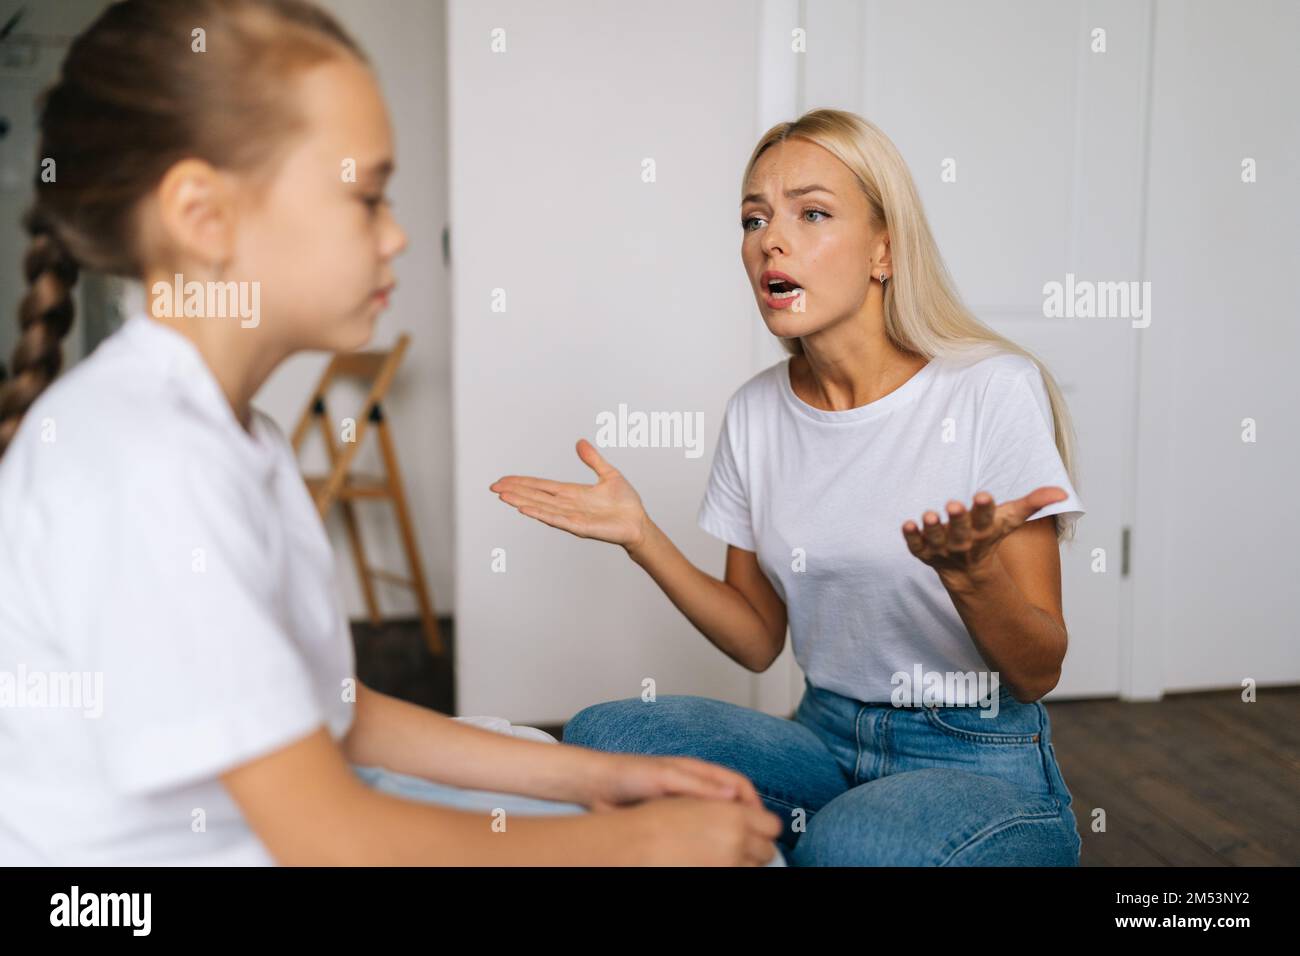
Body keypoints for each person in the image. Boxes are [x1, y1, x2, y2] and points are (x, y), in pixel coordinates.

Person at [0, 0, 782, 867]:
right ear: (205, 217)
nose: (398, 233)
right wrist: (631, 844)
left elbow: (338, 710)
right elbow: (326, 835)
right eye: (366, 196)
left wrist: (589, 780)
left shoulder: (238, 437)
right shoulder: (142, 456)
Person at [492, 109, 1086, 866]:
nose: (771, 239)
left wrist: (970, 578)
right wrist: (643, 538)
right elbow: (756, 639)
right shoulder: (757, 411)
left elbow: (1039, 669)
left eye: (812, 213)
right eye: (754, 218)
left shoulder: (991, 390)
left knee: (851, 845)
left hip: (975, 758)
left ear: (884, 250)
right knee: (607, 739)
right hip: (822, 740)